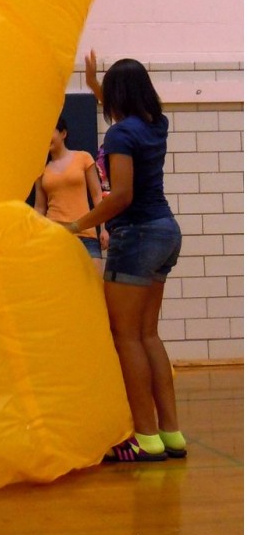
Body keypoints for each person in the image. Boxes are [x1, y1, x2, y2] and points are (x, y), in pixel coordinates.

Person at [63, 53, 186, 462]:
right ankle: (170, 434)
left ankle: (145, 435)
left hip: (136, 236)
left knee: (126, 337)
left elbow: (122, 196)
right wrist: (98, 83)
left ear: (116, 96)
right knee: (148, 334)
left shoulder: (119, 136)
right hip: (166, 232)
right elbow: (122, 111)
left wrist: (77, 223)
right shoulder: (156, 125)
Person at [34, 116, 109, 273]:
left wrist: (104, 228)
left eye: (50, 131)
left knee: (93, 289)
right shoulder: (40, 169)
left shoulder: (83, 157)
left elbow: (96, 195)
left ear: (63, 134)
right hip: (54, 236)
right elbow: (40, 207)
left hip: (86, 233)